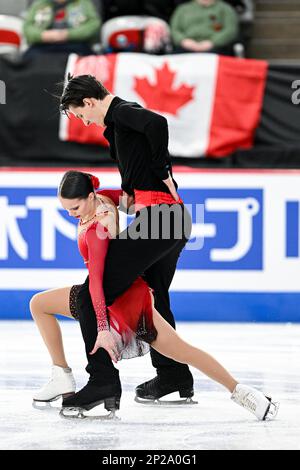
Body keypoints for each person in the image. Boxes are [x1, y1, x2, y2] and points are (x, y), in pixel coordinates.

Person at [30, 170, 279, 421]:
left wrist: (102, 327)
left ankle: (243, 393)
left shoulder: (97, 228)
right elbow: (138, 202)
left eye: (75, 207)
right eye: (66, 210)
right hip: (118, 288)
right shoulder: (105, 199)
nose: (71, 214)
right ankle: (61, 375)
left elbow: (96, 282)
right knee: (39, 304)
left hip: (123, 299)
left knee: (181, 350)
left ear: (91, 196)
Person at [58, 74, 195, 412]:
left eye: (80, 113)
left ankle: (102, 380)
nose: (83, 121)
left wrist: (162, 166)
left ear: (90, 102)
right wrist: (120, 195)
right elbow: (138, 189)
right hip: (170, 219)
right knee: (152, 298)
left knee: (94, 292)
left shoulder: (121, 113)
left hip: (162, 220)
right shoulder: (118, 128)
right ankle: (173, 375)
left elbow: (158, 122)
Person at [23, 0, 101, 58]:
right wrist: (42, 35)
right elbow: (27, 27)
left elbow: (94, 24)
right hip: (43, 45)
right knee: (27, 59)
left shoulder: (83, 3)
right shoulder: (40, 4)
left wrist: (68, 34)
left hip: (76, 44)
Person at [170, 0, 238, 55]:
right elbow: (174, 29)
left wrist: (213, 42)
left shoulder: (225, 9)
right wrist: (183, 41)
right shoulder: (182, 9)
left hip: (215, 47)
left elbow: (230, 30)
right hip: (185, 47)